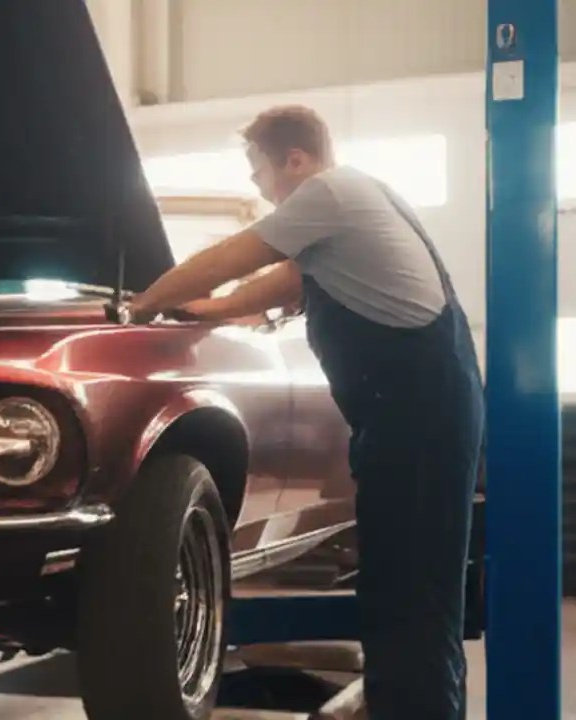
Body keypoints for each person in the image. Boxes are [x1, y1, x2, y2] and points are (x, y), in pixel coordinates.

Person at [125, 105, 484, 719]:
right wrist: (206, 313)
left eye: (258, 170)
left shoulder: (329, 192)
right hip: (416, 417)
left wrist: (144, 303)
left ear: (294, 159)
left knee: (412, 598)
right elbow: (280, 285)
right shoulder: (354, 202)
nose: (257, 186)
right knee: (404, 590)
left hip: (419, 422)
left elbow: (236, 257)